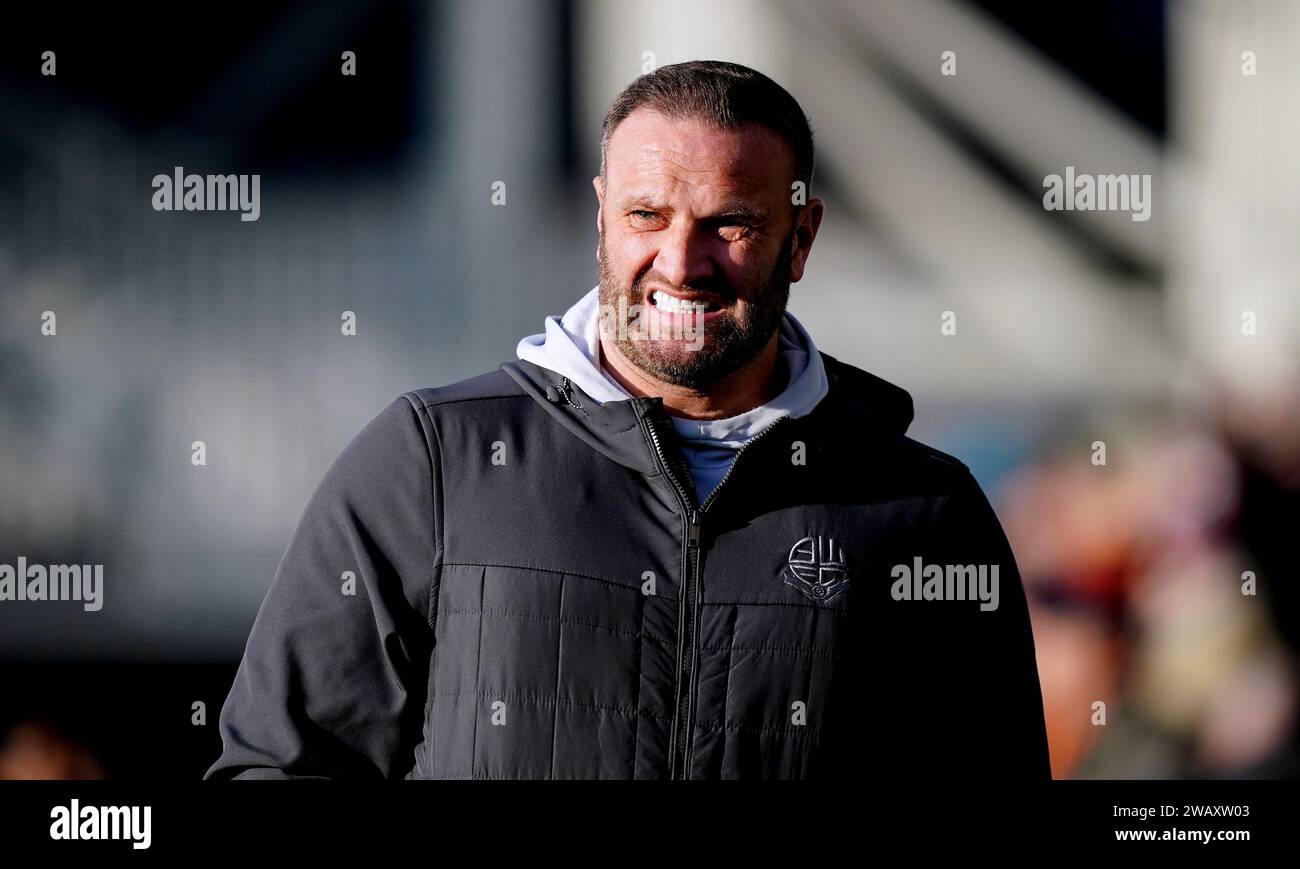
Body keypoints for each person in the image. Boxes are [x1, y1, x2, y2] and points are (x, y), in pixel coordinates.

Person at [205, 60, 1051, 780]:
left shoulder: (924, 512)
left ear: (801, 238)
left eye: (731, 224)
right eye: (648, 217)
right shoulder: (433, 461)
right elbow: (280, 764)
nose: (681, 263)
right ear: (603, 218)